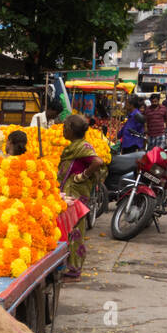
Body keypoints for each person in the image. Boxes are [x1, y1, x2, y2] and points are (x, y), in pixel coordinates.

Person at [57, 114, 105, 280]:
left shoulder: (82, 147)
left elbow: (97, 162)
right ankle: (68, 265)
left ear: (71, 130)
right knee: (69, 230)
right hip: (70, 194)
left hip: (76, 194)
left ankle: (74, 269)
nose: (63, 130)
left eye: (64, 128)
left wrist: (82, 176)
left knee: (76, 230)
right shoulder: (74, 146)